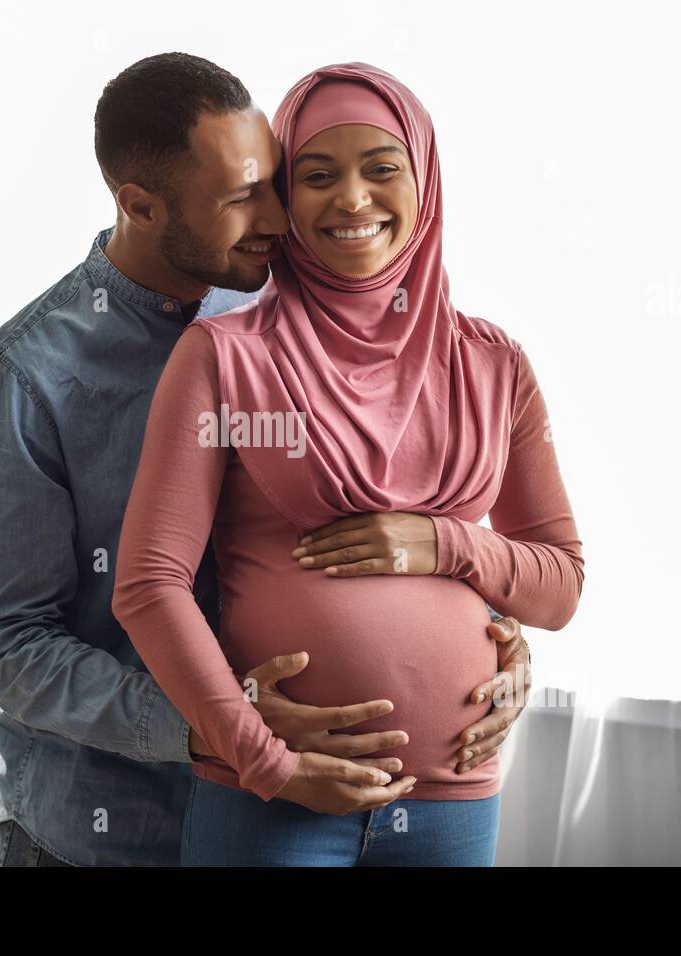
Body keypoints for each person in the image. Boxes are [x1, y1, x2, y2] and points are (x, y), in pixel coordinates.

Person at [0, 53, 533, 868]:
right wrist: (222, 727)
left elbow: (401, 516)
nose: (279, 216)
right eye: (241, 197)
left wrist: (487, 641)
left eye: (276, 180)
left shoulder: (298, 309)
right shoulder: (24, 381)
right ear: (141, 206)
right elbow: (9, 643)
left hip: (331, 817)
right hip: (111, 834)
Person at [112, 63, 583, 866]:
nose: (353, 200)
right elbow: (148, 585)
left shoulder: (494, 363)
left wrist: (447, 543)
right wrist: (267, 760)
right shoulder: (226, 356)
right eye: (318, 176)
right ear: (285, 199)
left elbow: (559, 586)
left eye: (382, 169)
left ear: (425, 180)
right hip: (274, 801)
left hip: (456, 801)